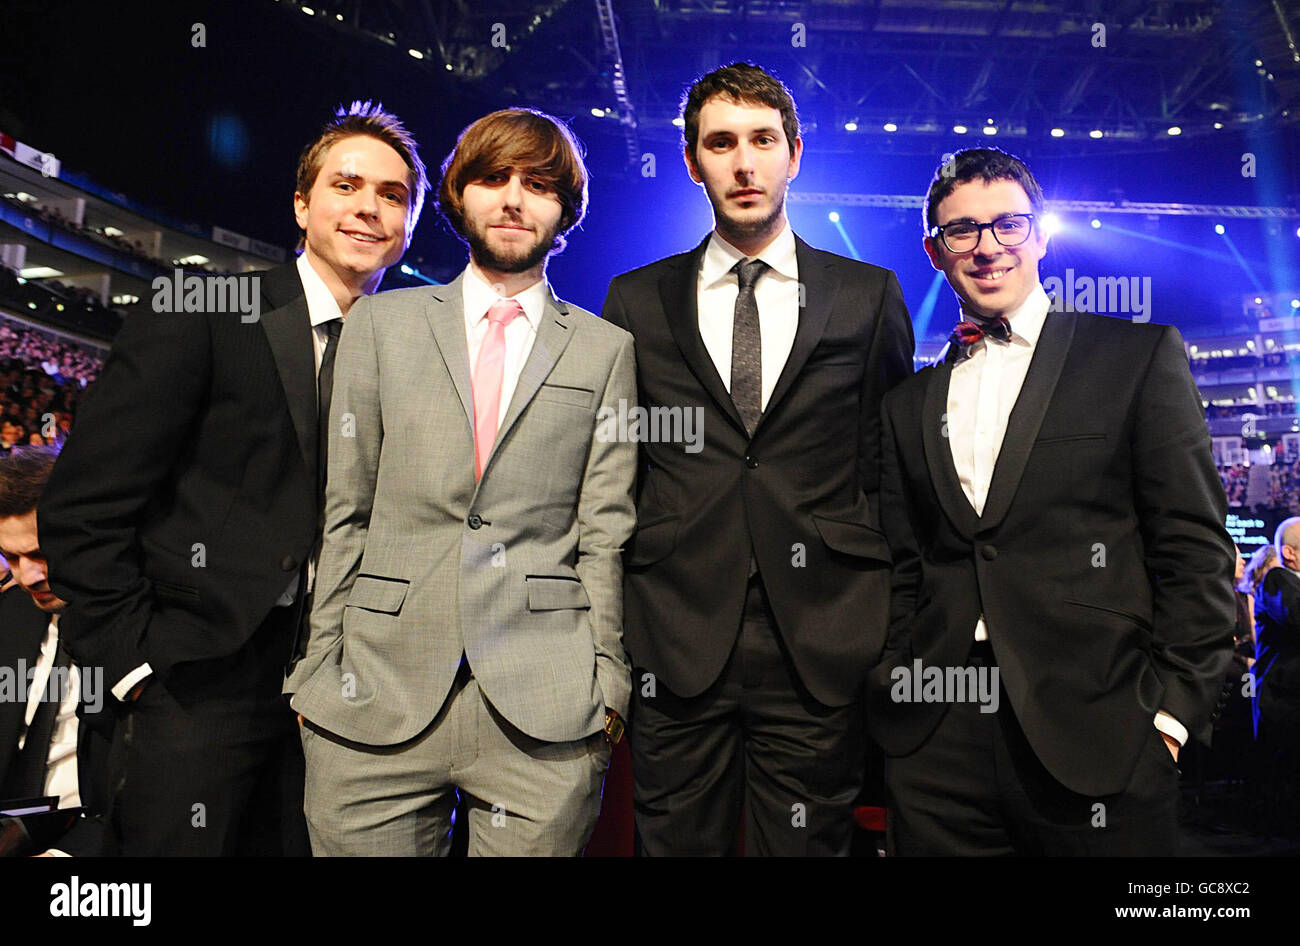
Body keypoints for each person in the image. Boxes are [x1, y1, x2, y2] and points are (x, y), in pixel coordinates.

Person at [36, 101, 428, 856]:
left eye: (392, 194)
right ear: (301, 205)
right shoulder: (207, 309)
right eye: (347, 185)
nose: (369, 208)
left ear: (408, 224)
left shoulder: (405, 354)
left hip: (336, 694)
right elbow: (86, 503)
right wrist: (132, 662)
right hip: (192, 680)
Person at [287, 107, 636, 857]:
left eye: (538, 184)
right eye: (493, 177)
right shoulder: (381, 325)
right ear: (458, 194)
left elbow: (605, 534)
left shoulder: (606, 350)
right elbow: (345, 513)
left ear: (565, 208)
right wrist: (318, 668)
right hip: (371, 695)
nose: (513, 199)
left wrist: (607, 687)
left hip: (546, 707)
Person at [870, 147, 1236, 855]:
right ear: (935, 252)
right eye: (962, 230)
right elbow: (903, 566)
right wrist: (893, 686)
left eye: (1008, 224)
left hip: (1103, 732)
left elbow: (1194, 550)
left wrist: (1171, 718)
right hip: (935, 745)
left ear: (1040, 235)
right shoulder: (907, 403)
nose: (988, 247)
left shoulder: (1135, 356)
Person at [602, 62, 915, 856]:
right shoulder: (635, 300)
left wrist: (880, 627)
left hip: (821, 635)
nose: (744, 163)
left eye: (763, 140)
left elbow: (889, 471)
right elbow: (616, 471)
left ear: (795, 154)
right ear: (692, 162)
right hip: (675, 633)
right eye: (721, 143)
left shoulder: (868, 295)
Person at [0, 444, 108, 857]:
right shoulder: (10, 612)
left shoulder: (145, 630)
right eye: (11, 558)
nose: (28, 576)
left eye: (40, 554)